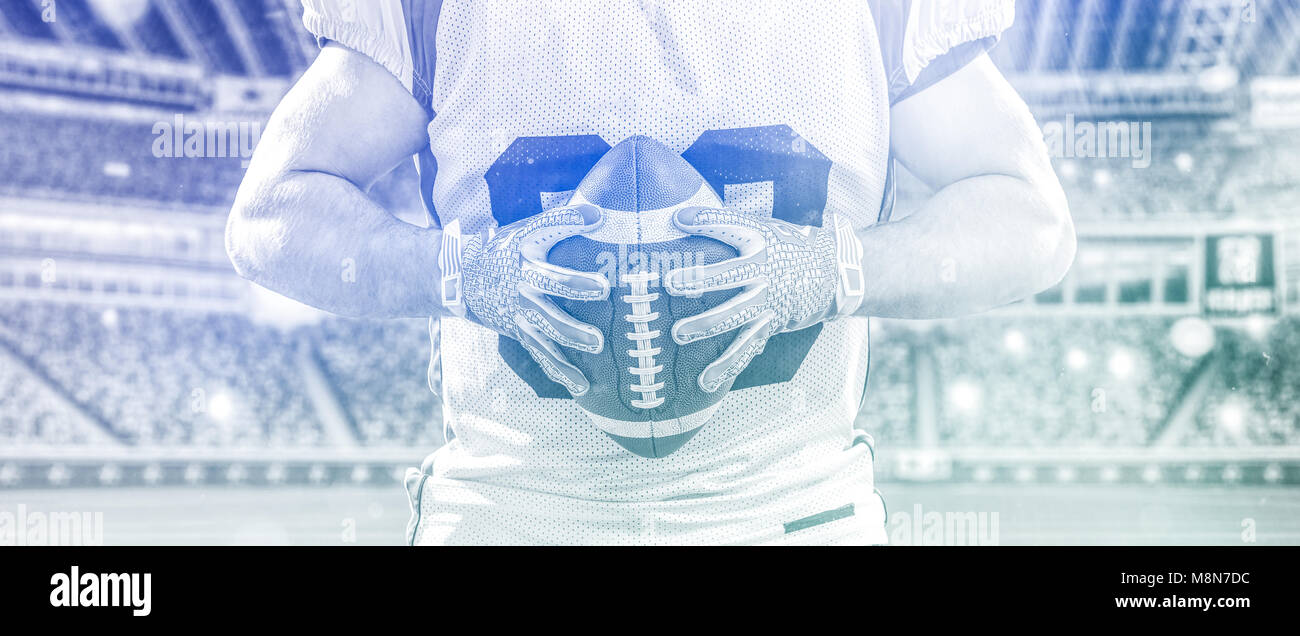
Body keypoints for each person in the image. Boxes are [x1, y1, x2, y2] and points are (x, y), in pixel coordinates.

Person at [226, 0, 1074, 545]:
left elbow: (1029, 219)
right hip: (516, 513)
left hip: (788, 514)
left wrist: (831, 269)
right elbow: (272, 215)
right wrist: (456, 272)